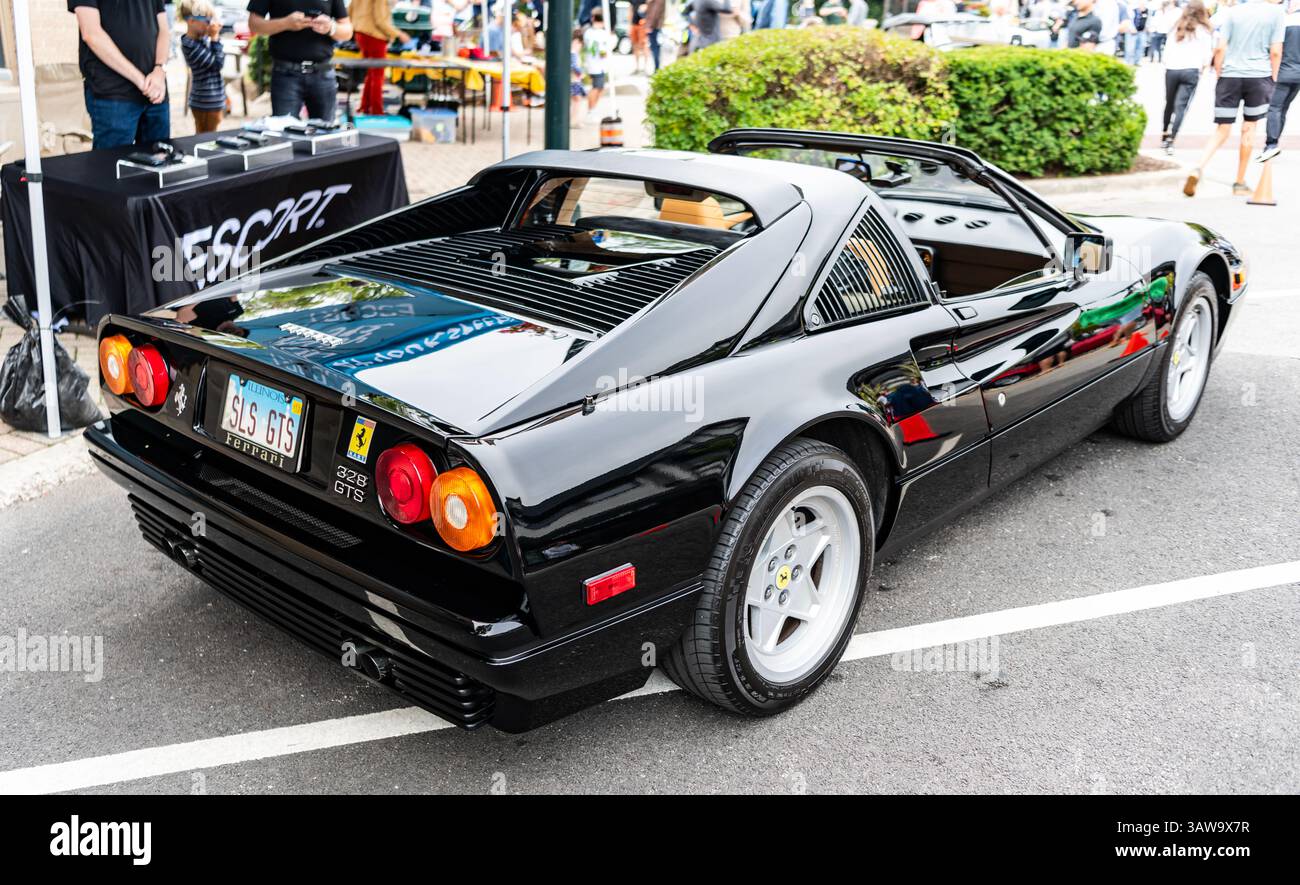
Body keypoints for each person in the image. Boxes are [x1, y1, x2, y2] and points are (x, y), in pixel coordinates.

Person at [1184, 0, 1286, 196]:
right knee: (1249, 127)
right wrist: (1273, 77)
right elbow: (1275, 51)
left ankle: (1198, 166)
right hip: (1259, 76)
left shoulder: (1232, 12)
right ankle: (1239, 182)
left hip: (1230, 76)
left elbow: (1220, 48)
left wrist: (1221, 73)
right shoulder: (1276, 12)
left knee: (1222, 129)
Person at [68, 0, 171, 150]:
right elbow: (91, 33)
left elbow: (164, 31)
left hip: (156, 91)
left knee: (161, 164)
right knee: (110, 168)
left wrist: (160, 69)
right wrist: (140, 80)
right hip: (113, 94)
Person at [248, 0, 354, 124]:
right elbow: (254, 24)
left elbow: (347, 31)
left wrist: (331, 27)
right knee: (284, 133)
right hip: (285, 74)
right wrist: (286, 23)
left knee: (325, 136)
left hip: (323, 73)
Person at [1161, 1, 1215, 154]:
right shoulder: (1204, 31)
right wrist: (1203, 68)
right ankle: (1171, 139)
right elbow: (1206, 56)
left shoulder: (1176, 27)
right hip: (1191, 71)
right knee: (1181, 107)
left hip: (1172, 69)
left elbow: (1167, 51)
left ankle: (1164, 132)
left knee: (1169, 103)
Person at [349, 0, 410, 116]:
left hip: (361, 34)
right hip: (374, 36)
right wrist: (399, 34)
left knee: (372, 73)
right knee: (378, 75)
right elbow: (380, 20)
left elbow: (350, 12)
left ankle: (365, 107)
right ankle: (376, 111)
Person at [1259, 0, 1300, 160]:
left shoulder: (1284, 22)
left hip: (1282, 72)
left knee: (1274, 108)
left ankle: (1271, 144)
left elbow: (1274, 49)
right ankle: (1272, 143)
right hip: (1297, 75)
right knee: (1283, 108)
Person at [179, 1, 226, 134]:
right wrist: (215, 38)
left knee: (207, 137)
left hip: (212, 99)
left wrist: (213, 37)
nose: (210, 24)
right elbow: (218, 64)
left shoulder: (202, 39)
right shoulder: (189, 44)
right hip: (206, 101)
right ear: (192, 21)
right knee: (206, 138)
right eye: (207, 20)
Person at [582, 9, 615, 123]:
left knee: (598, 87)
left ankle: (592, 110)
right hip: (599, 65)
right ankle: (591, 111)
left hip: (591, 63)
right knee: (597, 88)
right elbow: (602, 52)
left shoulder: (588, 32)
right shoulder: (602, 34)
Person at [645, 0, 666, 70]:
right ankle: (657, 67)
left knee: (655, 48)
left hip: (654, 27)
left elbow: (654, 14)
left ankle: (657, 68)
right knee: (655, 48)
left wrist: (649, 26)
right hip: (655, 27)